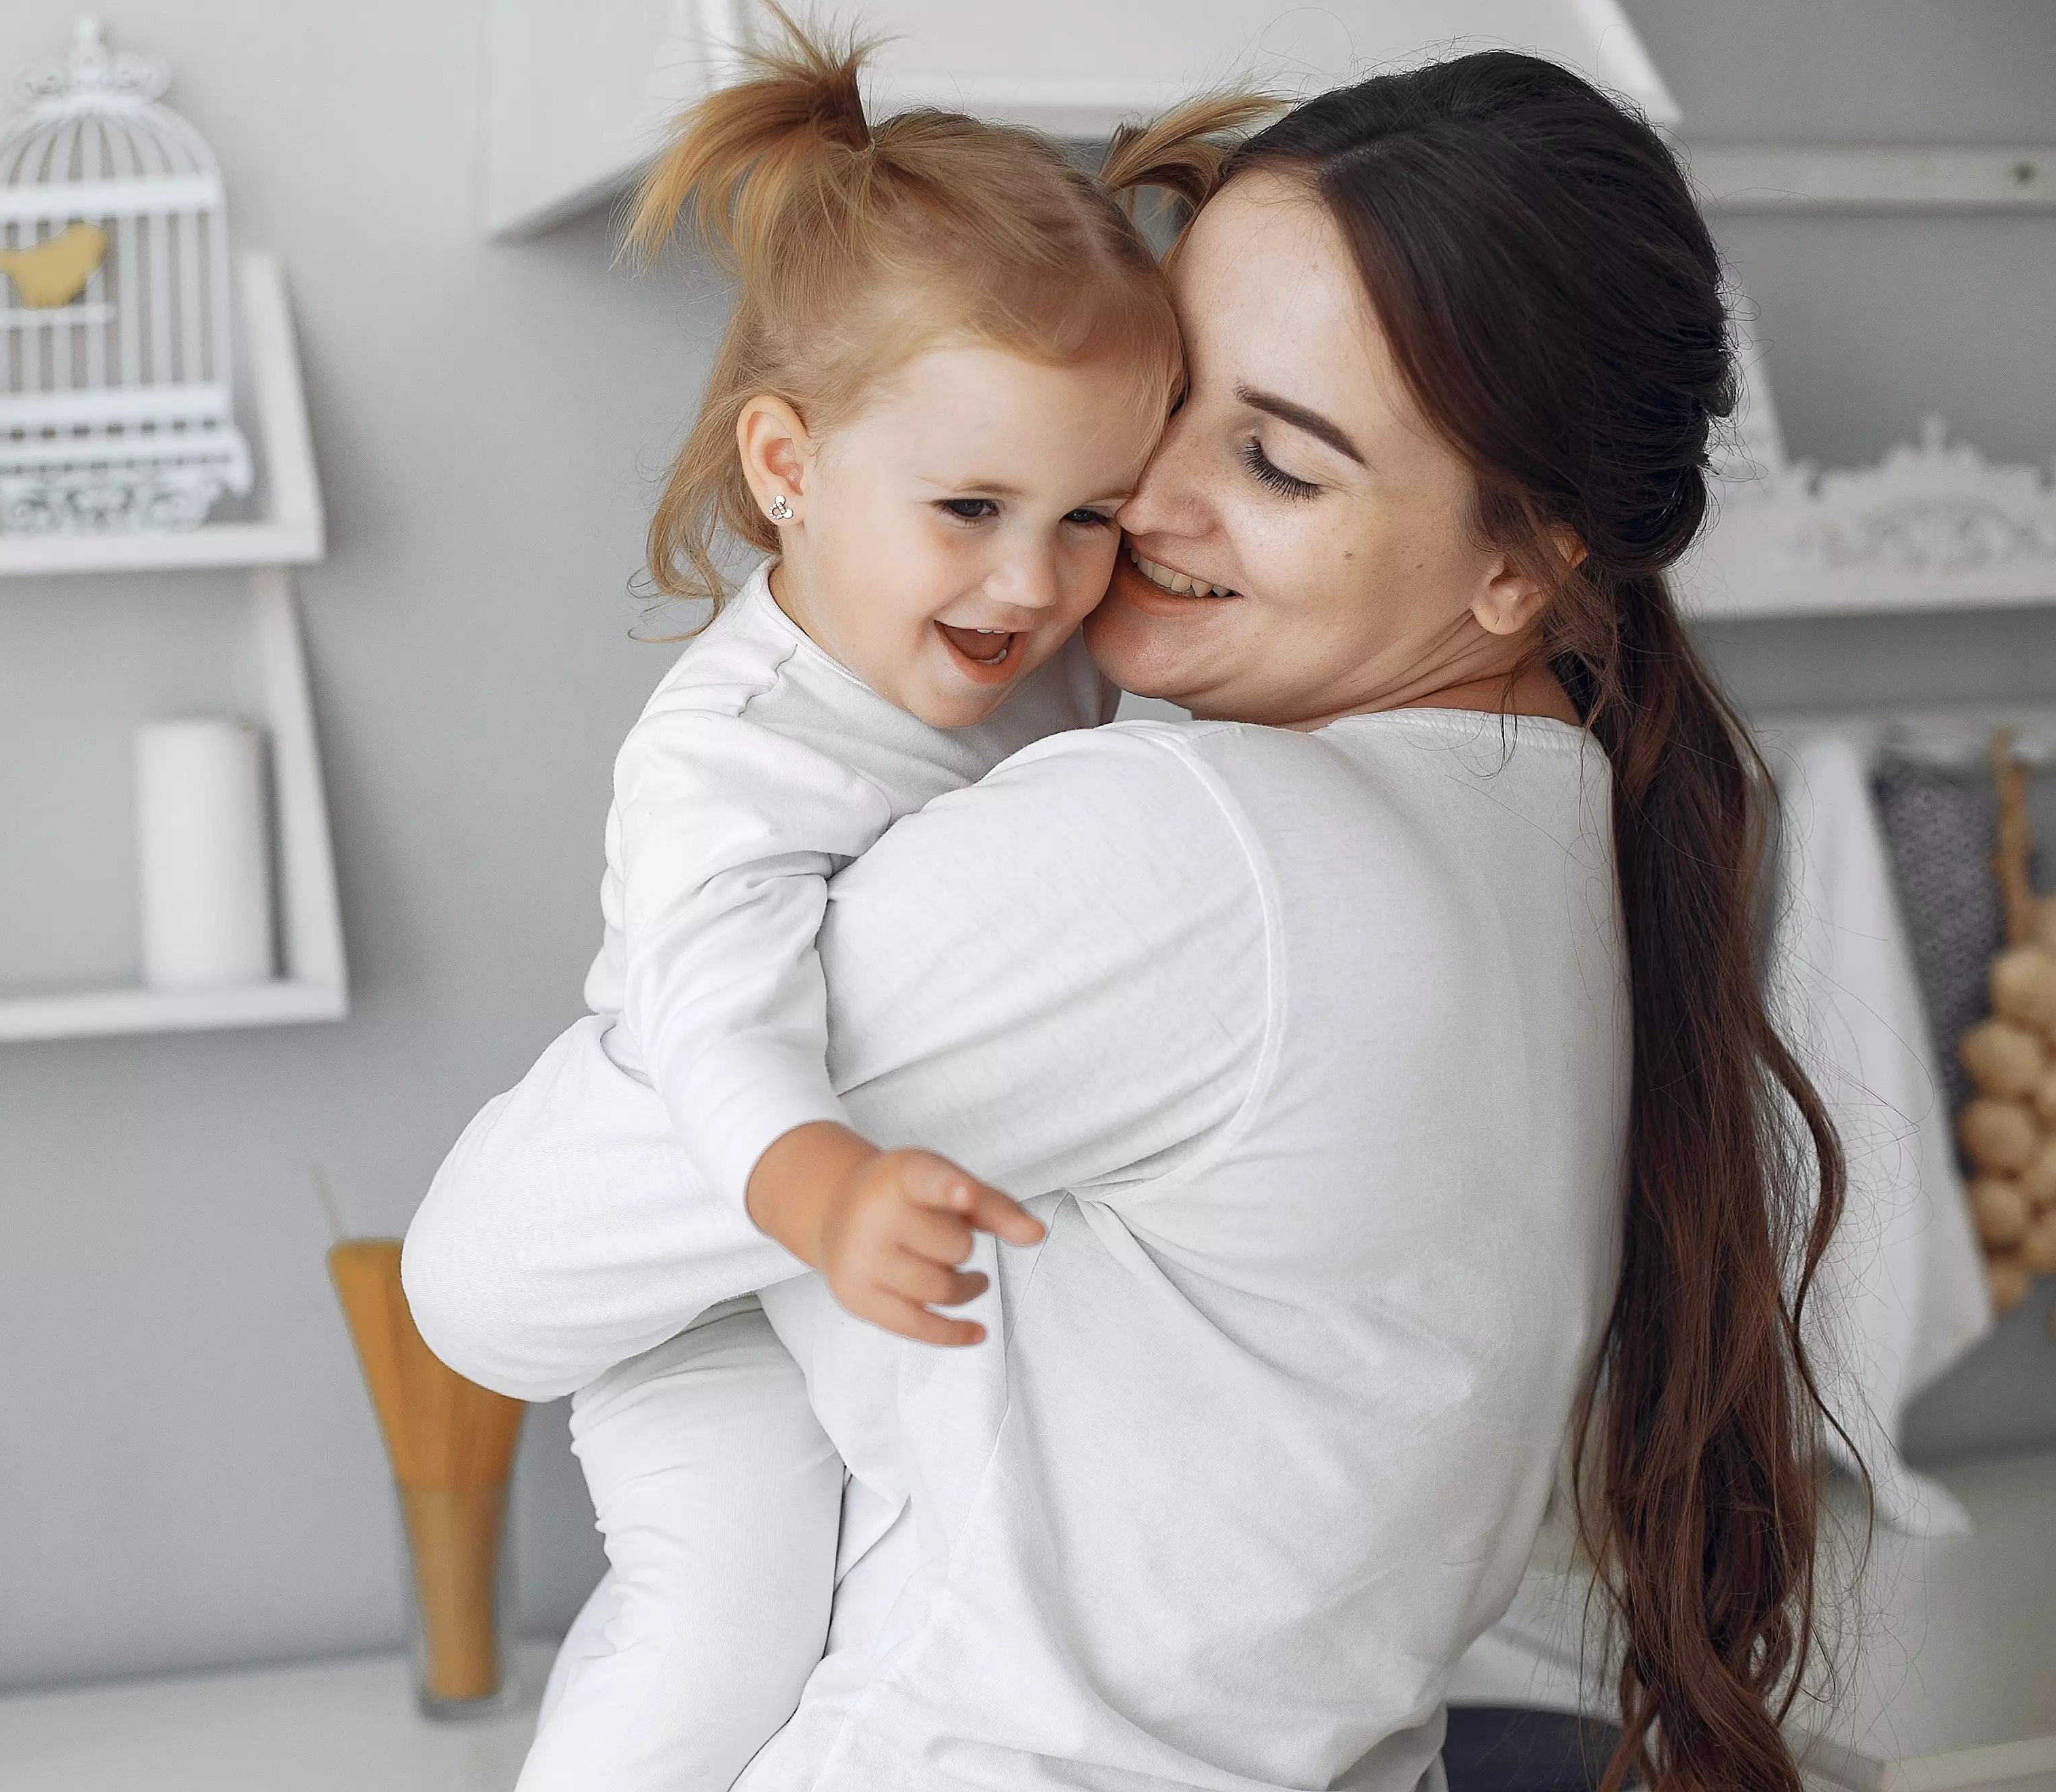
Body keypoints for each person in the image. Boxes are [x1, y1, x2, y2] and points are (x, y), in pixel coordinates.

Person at [409, 49, 1845, 1792]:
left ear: (1521, 563)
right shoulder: (1549, 857)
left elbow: (483, 1277)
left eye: (1281, 464)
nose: (1138, 509)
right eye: (1170, 397)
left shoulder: (1195, 852)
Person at [419, 21, 1239, 1790]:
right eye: (970, 508)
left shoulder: (1043, 664)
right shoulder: (732, 749)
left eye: (1091, 515)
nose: (1033, 580)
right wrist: (828, 1190)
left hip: (880, 1250)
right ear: (785, 465)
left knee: (906, 1611)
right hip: (700, 1285)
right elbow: (716, 1037)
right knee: (725, 1624)